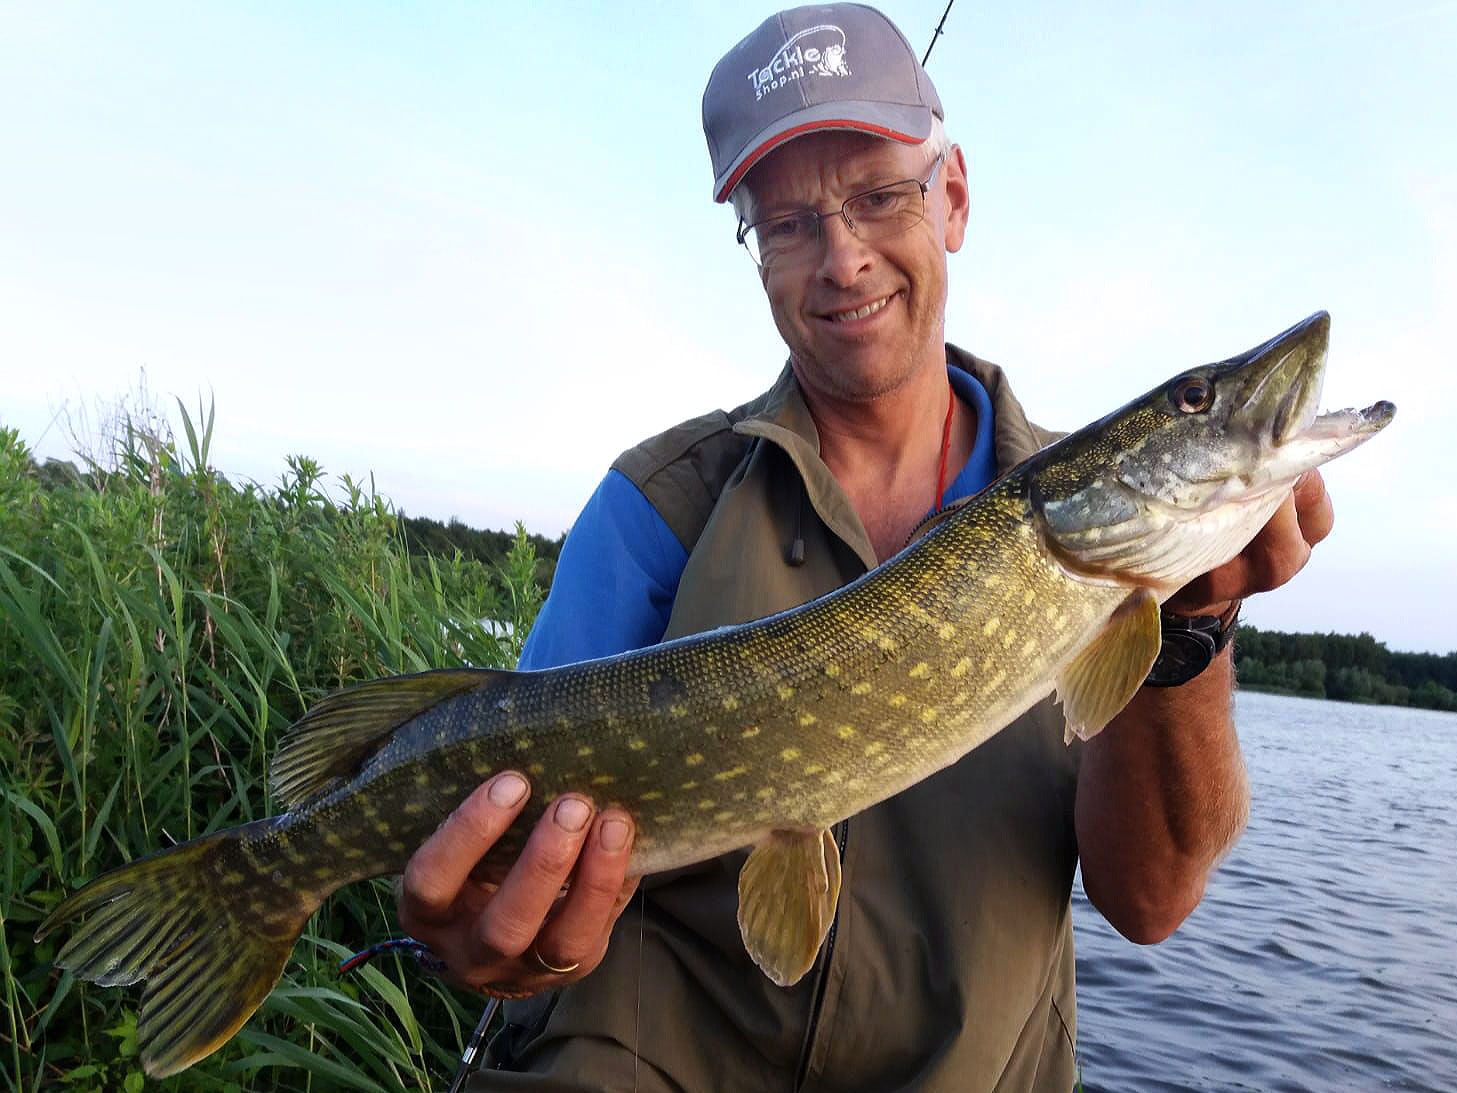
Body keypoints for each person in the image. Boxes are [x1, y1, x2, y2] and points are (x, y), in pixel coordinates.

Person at [397, 6, 1336, 1090]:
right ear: (755, 253)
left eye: (880, 196)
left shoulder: (1074, 551)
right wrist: (495, 945)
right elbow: (499, 876)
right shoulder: (658, 506)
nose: (841, 259)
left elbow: (1150, 903)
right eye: (789, 223)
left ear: (953, 198)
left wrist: (1190, 631)